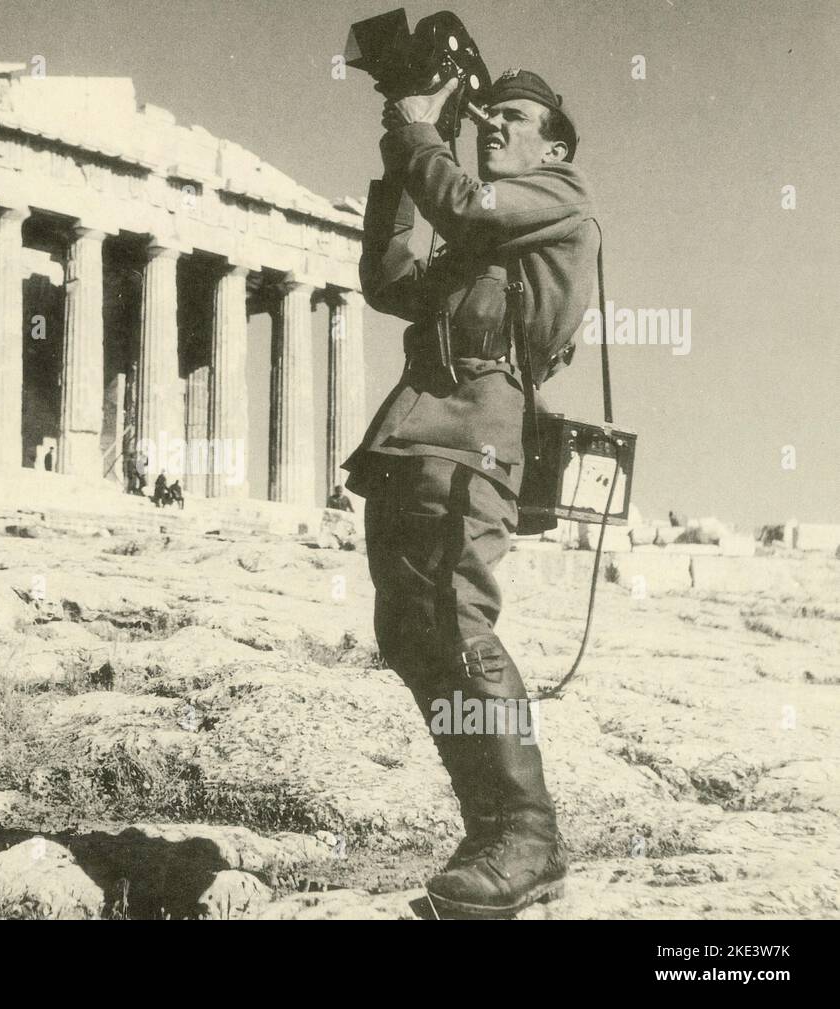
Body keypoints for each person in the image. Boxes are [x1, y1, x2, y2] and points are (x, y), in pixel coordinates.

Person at [343, 70, 598, 917]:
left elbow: (472, 205)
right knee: (410, 634)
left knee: (457, 620)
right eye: (486, 113)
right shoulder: (480, 240)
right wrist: (398, 157)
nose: (492, 123)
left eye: (513, 118)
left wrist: (427, 138)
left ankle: (530, 835)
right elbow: (387, 282)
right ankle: (490, 828)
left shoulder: (559, 196)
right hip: (412, 442)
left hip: (473, 444)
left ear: (553, 145)